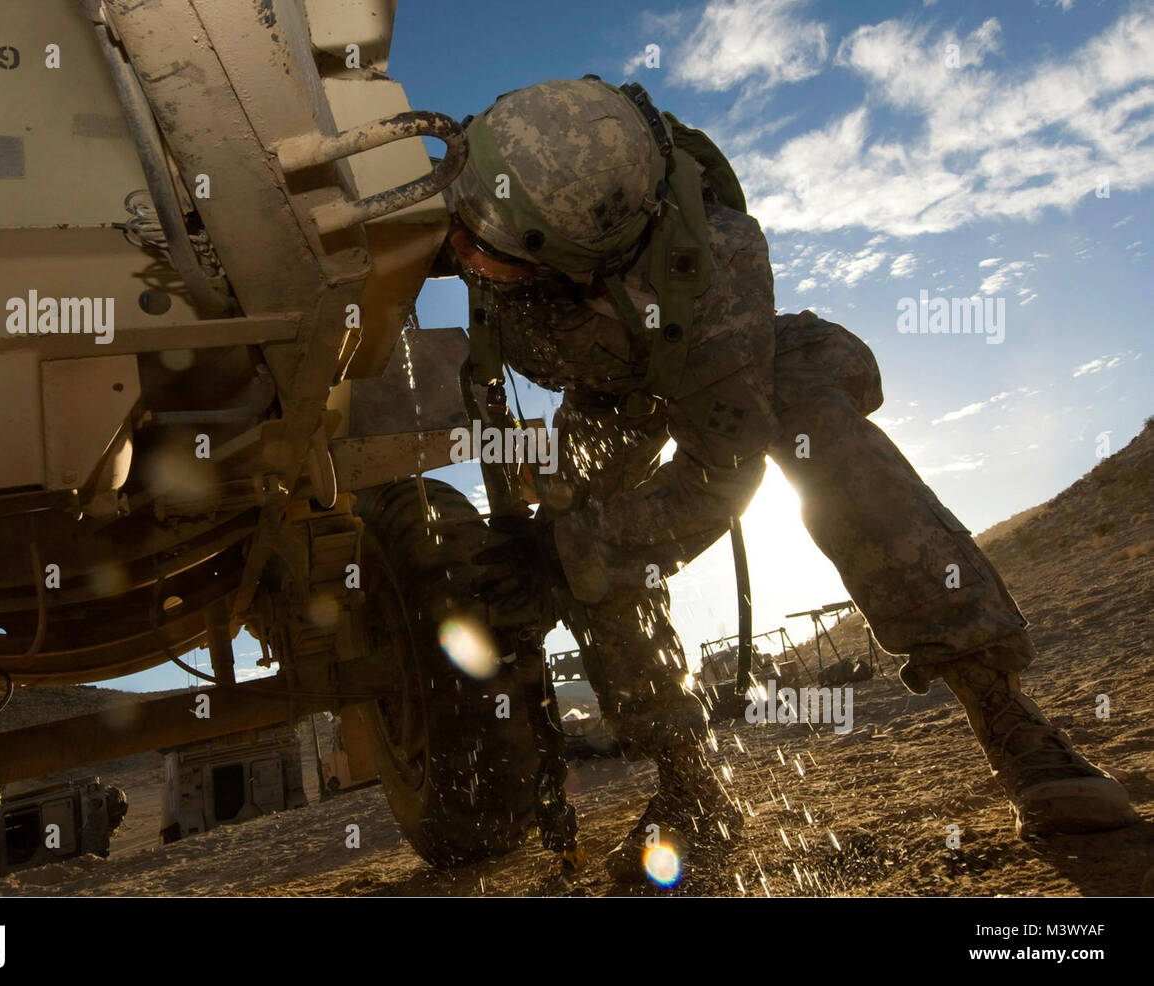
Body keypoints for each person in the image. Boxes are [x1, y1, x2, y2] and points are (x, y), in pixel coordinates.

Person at [448, 77, 1138, 883]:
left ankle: (1011, 721)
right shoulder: (487, 186)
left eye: (486, 248)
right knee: (580, 528)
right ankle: (693, 788)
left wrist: (566, 549)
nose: (464, 248)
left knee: (820, 434)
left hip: (726, 372)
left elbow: (718, 482)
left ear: (574, 261)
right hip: (609, 398)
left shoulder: (719, 271)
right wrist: (551, 536)